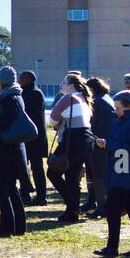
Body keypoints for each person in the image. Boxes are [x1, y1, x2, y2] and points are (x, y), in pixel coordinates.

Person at [93, 90, 130, 258]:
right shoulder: (122, 121)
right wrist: (106, 144)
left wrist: (109, 146)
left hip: (129, 172)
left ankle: (114, 247)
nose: (116, 110)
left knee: (113, 208)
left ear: (129, 106)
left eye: (118, 107)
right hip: (121, 170)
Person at [0, 66, 31, 237]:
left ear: (1, 81)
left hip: (6, 149)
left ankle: (7, 226)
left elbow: (6, 120)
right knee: (11, 188)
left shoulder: (8, 97)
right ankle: (19, 225)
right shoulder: (17, 94)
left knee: (3, 187)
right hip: (15, 148)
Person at [47, 73, 95, 223]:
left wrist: (60, 123)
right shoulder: (84, 98)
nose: (61, 85)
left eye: (64, 82)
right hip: (86, 139)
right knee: (72, 177)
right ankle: (72, 212)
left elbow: (52, 119)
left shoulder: (68, 98)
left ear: (71, 85)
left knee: (53, 172)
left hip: (72, 139)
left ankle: (72, 206)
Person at [83, 76, 115, 217]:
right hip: (103, 140)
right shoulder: (106, 98)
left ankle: (101, 207)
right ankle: (92, 201)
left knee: (98, 175)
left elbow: (90, 122)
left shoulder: (96, 102)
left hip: (99, 141)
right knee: (93, 173)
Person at [17, 70, 49, 205]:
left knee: (36, 168)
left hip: (33, 137)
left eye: (21, 78)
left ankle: (40, 196)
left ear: (29, 79)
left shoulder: (34, 93)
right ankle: (26, 194)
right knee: (26, 167)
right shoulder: (27, 92)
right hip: (30, 136)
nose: (19, 80)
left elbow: (28, 114)